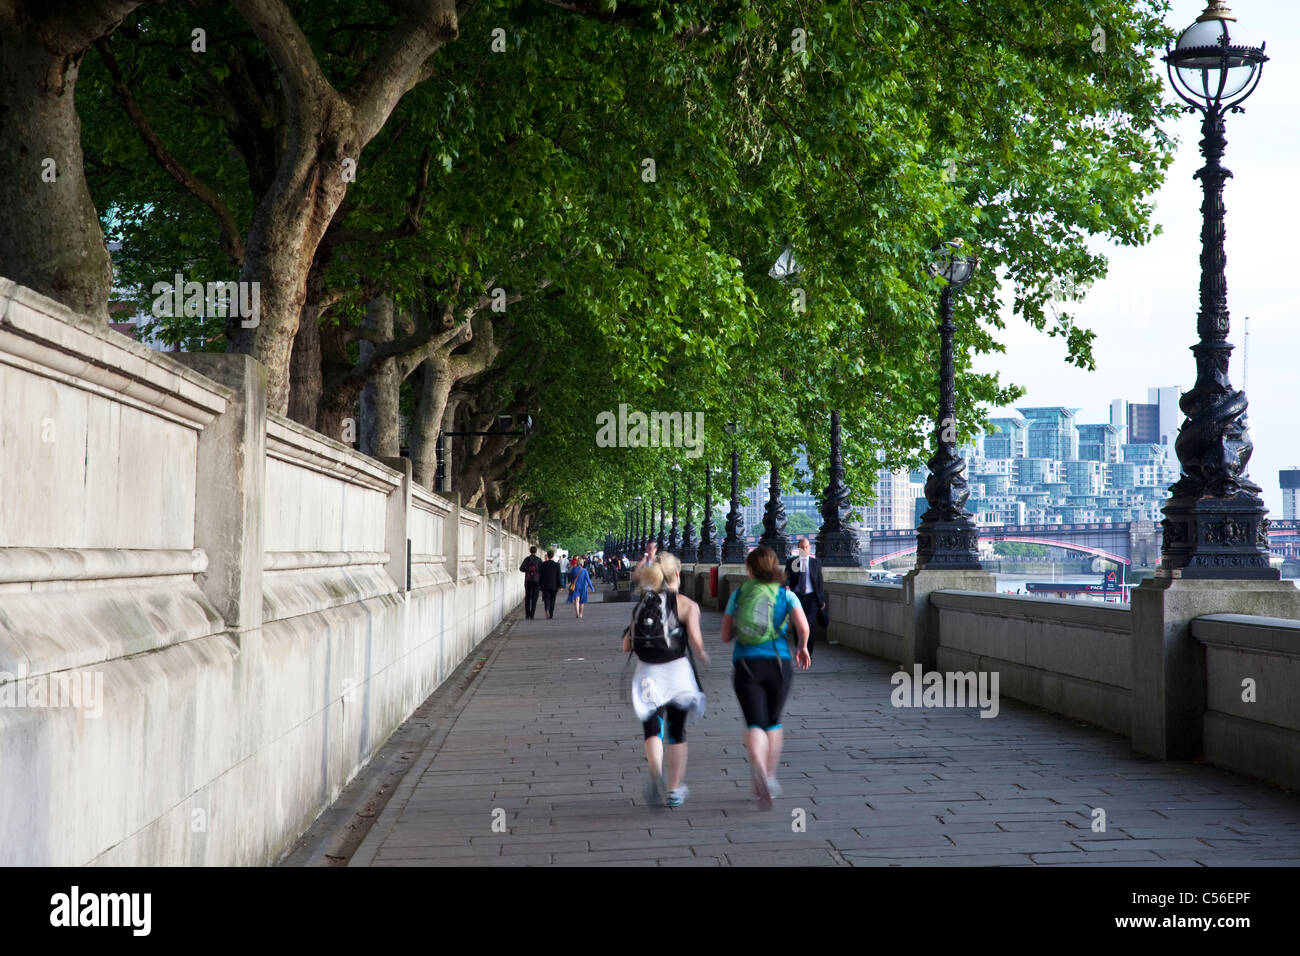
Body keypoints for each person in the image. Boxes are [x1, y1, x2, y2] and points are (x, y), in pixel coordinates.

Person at [721, 545, 810, 810]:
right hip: (778, 663)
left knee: (754, 723)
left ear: (749, 569)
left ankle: (758, 768)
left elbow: (725, 636)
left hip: (746, 664)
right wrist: (802, 647)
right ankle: (769, 777)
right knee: (773, 723)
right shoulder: (786, 594)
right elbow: (803, 627)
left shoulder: (739, 594)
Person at [622, 552, 709, 807]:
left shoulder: (643, 604)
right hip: (677, 674)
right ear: (677, 575)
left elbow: (627, 646)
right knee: (676, 731)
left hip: (647, 674)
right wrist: (703, 655)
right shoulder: (686, 605)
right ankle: (674, 788)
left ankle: (655, 773)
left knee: (652, 728)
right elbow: (696, 642)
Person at [785, 537, 827, 658]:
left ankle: (808, 651)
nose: (804, 549)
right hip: (796, 597)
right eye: (801, 547)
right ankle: (799, 647)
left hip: (812, 599)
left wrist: (821, 599)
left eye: (806, 547)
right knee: (798, 624)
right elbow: (786, 578)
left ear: (809, 548)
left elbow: (819, 582)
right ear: (798, 549)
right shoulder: (793, 562)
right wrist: (787, 585)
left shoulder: (815, 563)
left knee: (810, 625)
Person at [519, 546, 543, 620]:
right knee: (534, 598)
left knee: (527, 597)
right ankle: (532, 614)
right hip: (536, 581)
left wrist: (527, 570)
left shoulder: (527, 559)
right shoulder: (539, 560)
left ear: (530, 551)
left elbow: (521, 568)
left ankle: (527, 614)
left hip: (528, 580)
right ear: (536, 551)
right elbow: (542, 571)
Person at [538, 550, 562, 619]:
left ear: (547, 556)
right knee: (553, 600)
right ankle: (551, 614)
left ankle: (546, 609)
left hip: (545, 585)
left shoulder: (543, 564)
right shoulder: (557, 565)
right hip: (554, 585)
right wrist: (560, 586)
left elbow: (540, 575)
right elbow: (558, 576)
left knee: (546, 599)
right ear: (553, 556)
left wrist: (540, 584)